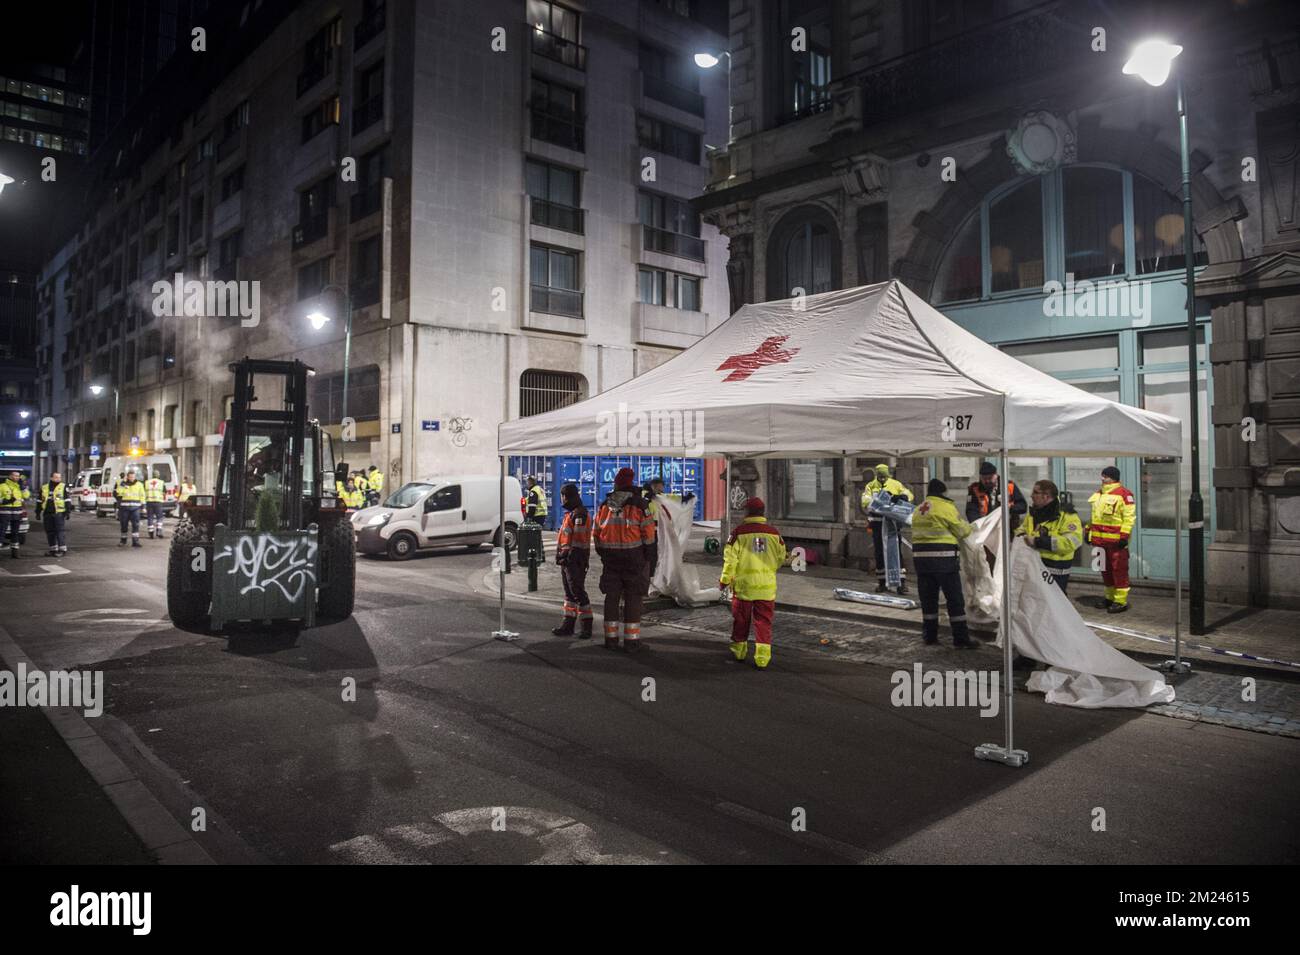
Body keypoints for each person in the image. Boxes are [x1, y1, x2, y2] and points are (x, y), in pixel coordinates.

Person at [719, 497, 788, 670]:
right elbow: (781, 558)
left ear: (747, 512)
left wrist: (724, 580)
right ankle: (762, 658)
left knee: (741, 621)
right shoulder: (774, 534)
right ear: (762, 512)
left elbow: (730, 561)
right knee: (764, 623)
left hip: (744, 588)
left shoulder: (738, 533)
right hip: (766, 588)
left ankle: (739, 651)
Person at [592, 467, 655, 652]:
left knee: (611, 598)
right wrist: (649, 560)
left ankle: (610, 640)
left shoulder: (605, 505)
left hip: (611, 560)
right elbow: (649, 537)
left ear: (617, 484)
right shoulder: (640, 505)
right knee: (633, 599)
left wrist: (605, 555)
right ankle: (632, 642)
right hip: (635, 560)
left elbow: (596, 534)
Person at [912, 478, 977, 648]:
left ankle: (929, 636)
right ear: (943, 492)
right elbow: (962, 531)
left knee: (928, 600)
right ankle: (961, 639)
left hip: (921, 562)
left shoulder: (919, 510)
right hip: (944, 561)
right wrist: (971, 527)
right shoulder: (946, 507)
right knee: (954, 600)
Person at [1015, 479, 1083, 593]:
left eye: (1035, 493)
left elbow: (1072, 542)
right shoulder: (1033, 513)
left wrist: (1038, 542)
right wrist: (1021, 535)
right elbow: (1021, 530)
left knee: (1054, 606)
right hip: (1034, 568)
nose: (1031, 496)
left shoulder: (1067, 515)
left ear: (1046, 496)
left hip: (1055, 573)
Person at [1087, 465, 1136, 614]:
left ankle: (1120, 601)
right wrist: (1088, 532)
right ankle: (1109, 598)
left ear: (1113, 478)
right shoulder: (1099, 494)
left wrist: (1124, 537)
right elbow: (1094, 517)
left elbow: (1129, 518)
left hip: (1116, 543)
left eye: (1105, 476)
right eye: (1102, 475)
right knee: (1105, 570)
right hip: (1099, 542)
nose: (1102, 478)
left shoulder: (1124, 494)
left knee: (1119, 571)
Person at [860, 462, 914, 594]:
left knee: (896, 553)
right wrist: (880, 500)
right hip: (878, 524)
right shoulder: (871, 486)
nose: (883, 479)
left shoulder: (896, 484)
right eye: (881, 477)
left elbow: (909, 495)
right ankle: (882, 583)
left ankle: (901, 583)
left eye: (885, 477)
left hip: (892, 524)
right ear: (877, 475)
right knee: (879, 554)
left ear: (888, 475)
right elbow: (865, 501)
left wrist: (902, 497)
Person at [552, 483, 593, 639]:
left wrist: (568, 556)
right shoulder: (572, 514)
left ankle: (586, 627)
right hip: (568, 559)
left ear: (568, 496)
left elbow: (579, 539)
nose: (562, 498)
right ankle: (568, 626)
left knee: (577, 592)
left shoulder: (579, 514)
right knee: (569, 594)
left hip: (575, 560)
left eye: (563, 495)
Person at [38, 471, 70, 557]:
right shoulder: (44, 487)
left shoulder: (63, 487)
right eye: (56, 477)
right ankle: (53, 549)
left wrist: (67, 512)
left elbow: (67, 500)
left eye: (59, 477)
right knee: (50, 532)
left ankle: (62, 550)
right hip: (47, 513)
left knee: (60, 531)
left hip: (58, 513)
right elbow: (39, 500)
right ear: (51, 478)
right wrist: (38, 512)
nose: (58, 479)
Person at [1, 470, 30, 559]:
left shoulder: (19, 487)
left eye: (18, 476)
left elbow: (27, 496)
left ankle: (15, 552)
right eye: (15, 475)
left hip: (17, 513)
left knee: (15, 533)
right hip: (4, 513)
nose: (16, 477)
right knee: (1, 533)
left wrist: (22, 487)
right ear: (10, 476)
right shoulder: (2, 486)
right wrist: (8, 501)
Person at [116, 469, 145, 547]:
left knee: (135, 525)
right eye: (130, 477)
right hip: (124, 508)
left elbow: (142, 495)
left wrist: (143, 506)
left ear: (135, 477)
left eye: (133, 477)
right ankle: (123, 541)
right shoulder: (123, 484)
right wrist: (123, 484)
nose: (132, 478)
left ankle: (135, 542)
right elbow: (118, 492)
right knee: (124, 525)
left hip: (135, 508)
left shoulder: (139, 484)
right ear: (127, 477)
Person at [144, 469, 167, 539]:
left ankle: (151, 533)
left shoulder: (147, 482)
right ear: (158, 475)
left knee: (150, 517)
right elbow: (164, 492)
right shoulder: (161, 482)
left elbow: (144, 491)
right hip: (158, 501)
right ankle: (159, 531)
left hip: (149, 501)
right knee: (159, 517)